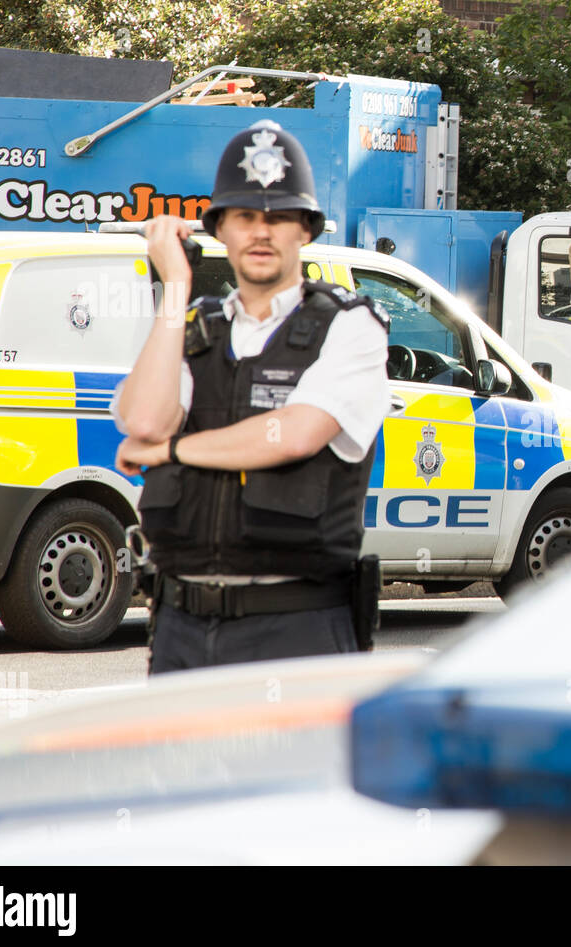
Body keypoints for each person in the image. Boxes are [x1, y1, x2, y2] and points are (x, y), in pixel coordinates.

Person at [112, 120, 390, 673]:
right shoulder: (194, 326)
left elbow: (293, 434)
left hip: (296, 628)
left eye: (278, 217)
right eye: (245, 217)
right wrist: (177, 290)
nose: (261, 233)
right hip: (182, 628)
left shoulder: (351, 326)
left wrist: (172, 452)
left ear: (305, 230)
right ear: (221, 230)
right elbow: (143, 422)